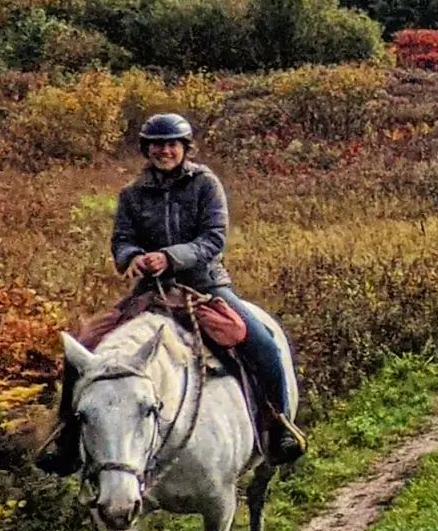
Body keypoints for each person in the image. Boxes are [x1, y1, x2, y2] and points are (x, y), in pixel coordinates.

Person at [37, 113, 305, 475]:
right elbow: (122, 239)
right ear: (147, 149)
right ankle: (67, 438)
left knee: (260, 342)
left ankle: (278, 425)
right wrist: (130, 257)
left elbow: (214, 238)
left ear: (184, 148)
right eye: (157, 145)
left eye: (172, 144)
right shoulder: (132, 194)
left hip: (205, 284)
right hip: (149, 291)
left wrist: (170, 257)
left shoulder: (206, 184)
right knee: (83, 350)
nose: (165, 151)